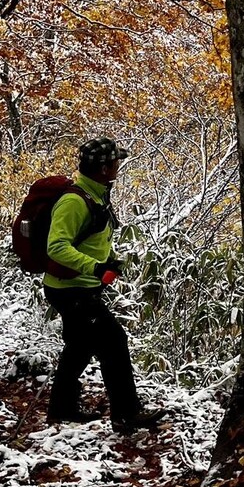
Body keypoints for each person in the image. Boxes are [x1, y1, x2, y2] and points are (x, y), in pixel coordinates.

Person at [43, 137, 164, 433]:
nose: (118, 166)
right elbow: (56, 246)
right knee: (114, 341)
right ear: (103, 168)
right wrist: (95, 267)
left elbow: (92, 238)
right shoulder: (74, 200)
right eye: (115, 162)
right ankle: (126, 414)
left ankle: (62, 408)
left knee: (80, 346)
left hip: (80, 286)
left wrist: (108, 260)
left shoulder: (95, 194)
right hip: (70, 289)